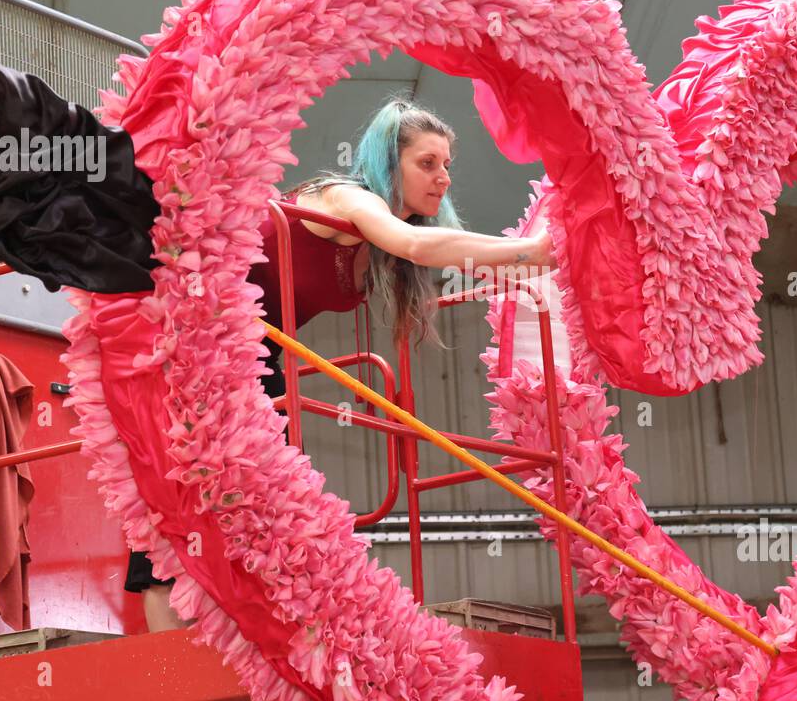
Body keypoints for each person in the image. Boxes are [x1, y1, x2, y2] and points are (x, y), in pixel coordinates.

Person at [125, 94, 558, 630]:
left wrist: (553, 262)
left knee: (257, 511)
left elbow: (451, 258)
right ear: (386, 161)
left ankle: (234, 646)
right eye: (427, 163)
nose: (442, 177)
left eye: (447, 165)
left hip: (256, 360)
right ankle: (171, 670)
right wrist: (530, 250)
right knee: (185, 505)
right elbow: (420, 247)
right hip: (192, 343)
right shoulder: (345, 198)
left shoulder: (389, 242)